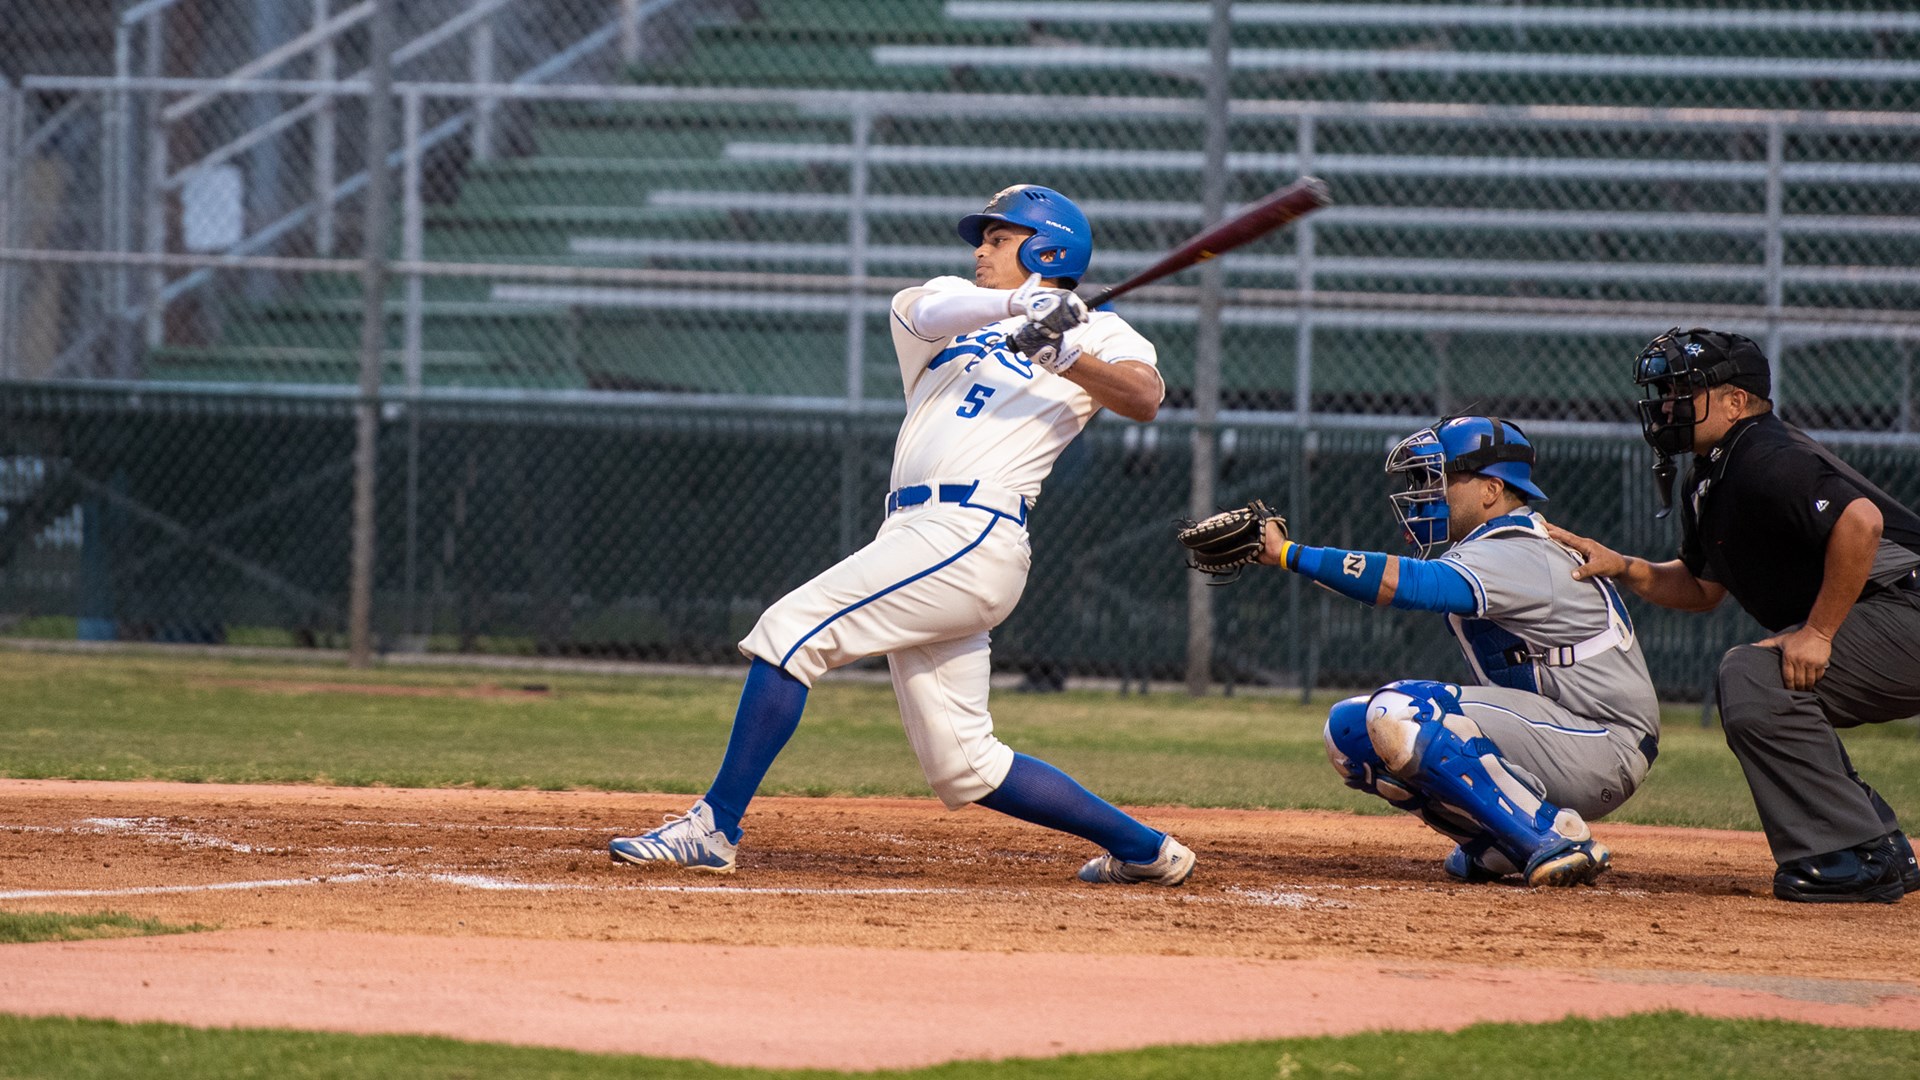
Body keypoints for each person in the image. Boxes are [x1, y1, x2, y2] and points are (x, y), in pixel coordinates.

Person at [607, 184, 1195, 885]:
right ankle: (1147, 851)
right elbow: (928, 308)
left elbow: (1145, 397)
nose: (980, 249)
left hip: (973, 530)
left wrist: (1066, 353)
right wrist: (1020, 306)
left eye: (998, 239)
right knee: (966, 765)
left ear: (1049, 249)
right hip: (913, 534)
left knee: (792, 628)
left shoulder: (1100, 332)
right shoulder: (952, 305)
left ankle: (714, 827)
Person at [1547, 327, 1920, 904]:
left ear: (1735, 401)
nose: (1665, 406)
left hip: (1907, 606)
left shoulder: (1762, 454)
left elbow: (1860, 522)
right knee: (1763, 677)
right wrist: (1623, 565)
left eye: (1682, 392)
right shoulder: (1718, 471)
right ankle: (1874, 844)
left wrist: (1818, 633)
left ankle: (1855, 853)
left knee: (1754, 677)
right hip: (1896, 613)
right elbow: (1701, 588)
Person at [1229, 416, 1661, 886]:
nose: (1427, 492)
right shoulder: (1492, 545)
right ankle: (1494, 845)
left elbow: (1409, 584)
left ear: (1491, 490)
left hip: (1602, 743)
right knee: (1350, 732)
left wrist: (1289, 553)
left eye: (1440, 479)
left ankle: (1549, 836)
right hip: (1560, 731)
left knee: (1404, 711)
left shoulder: (1517, 547)